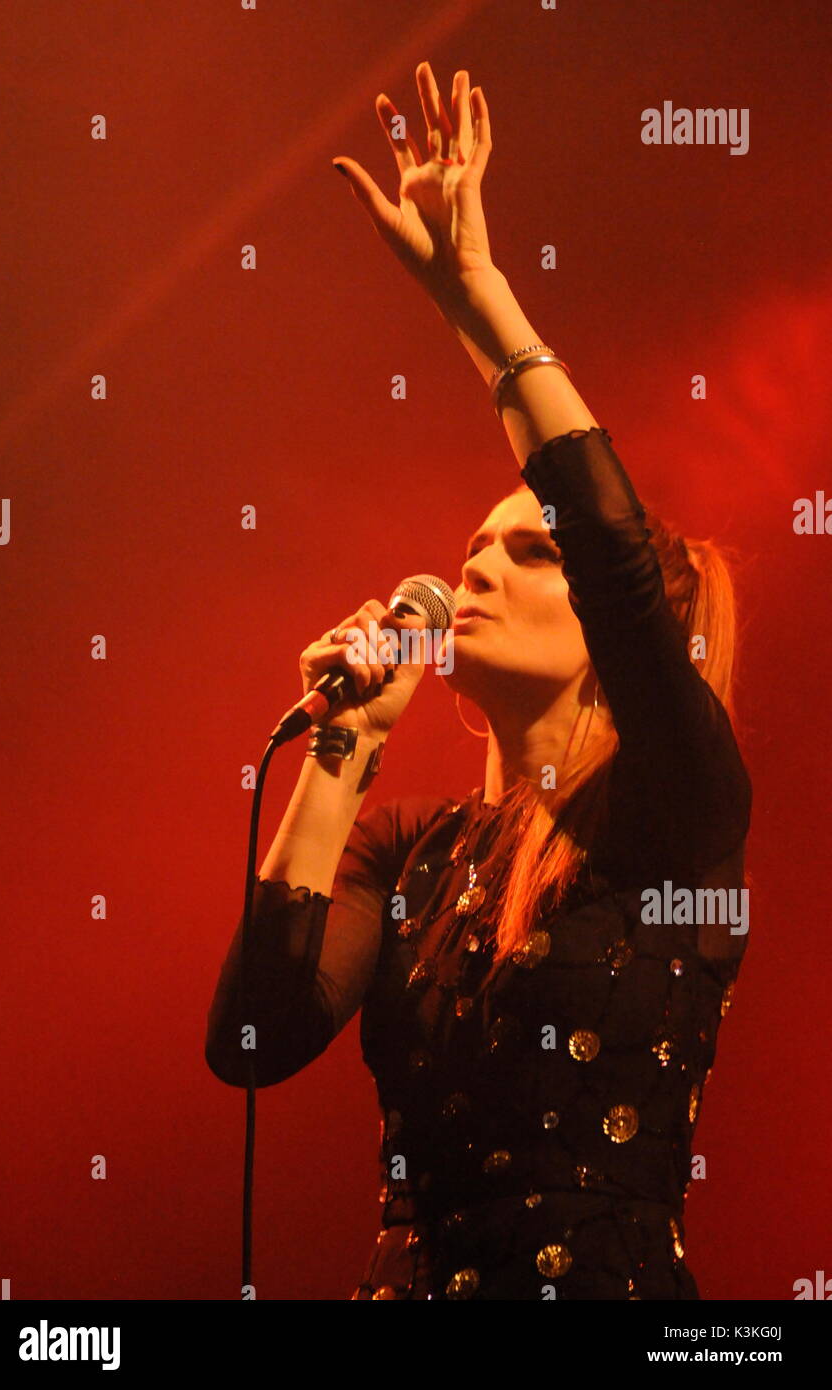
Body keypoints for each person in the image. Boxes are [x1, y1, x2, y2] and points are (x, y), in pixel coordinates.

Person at [205, 62, 752, 1300]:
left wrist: (476, 296)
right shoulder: (408, 851)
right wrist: (344, 747)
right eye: (473, 545)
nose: (478, 564)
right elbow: (252, 1041)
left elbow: (609, 539)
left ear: (620, 632)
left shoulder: (674, 815)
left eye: (526, 546)